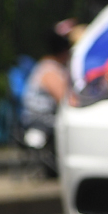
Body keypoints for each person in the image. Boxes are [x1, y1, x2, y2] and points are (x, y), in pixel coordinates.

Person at [19, 18, 82, 177]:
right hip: (40, 120)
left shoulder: (54, 67)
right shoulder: (50, 70)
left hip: (46, 118)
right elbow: (65, 100)